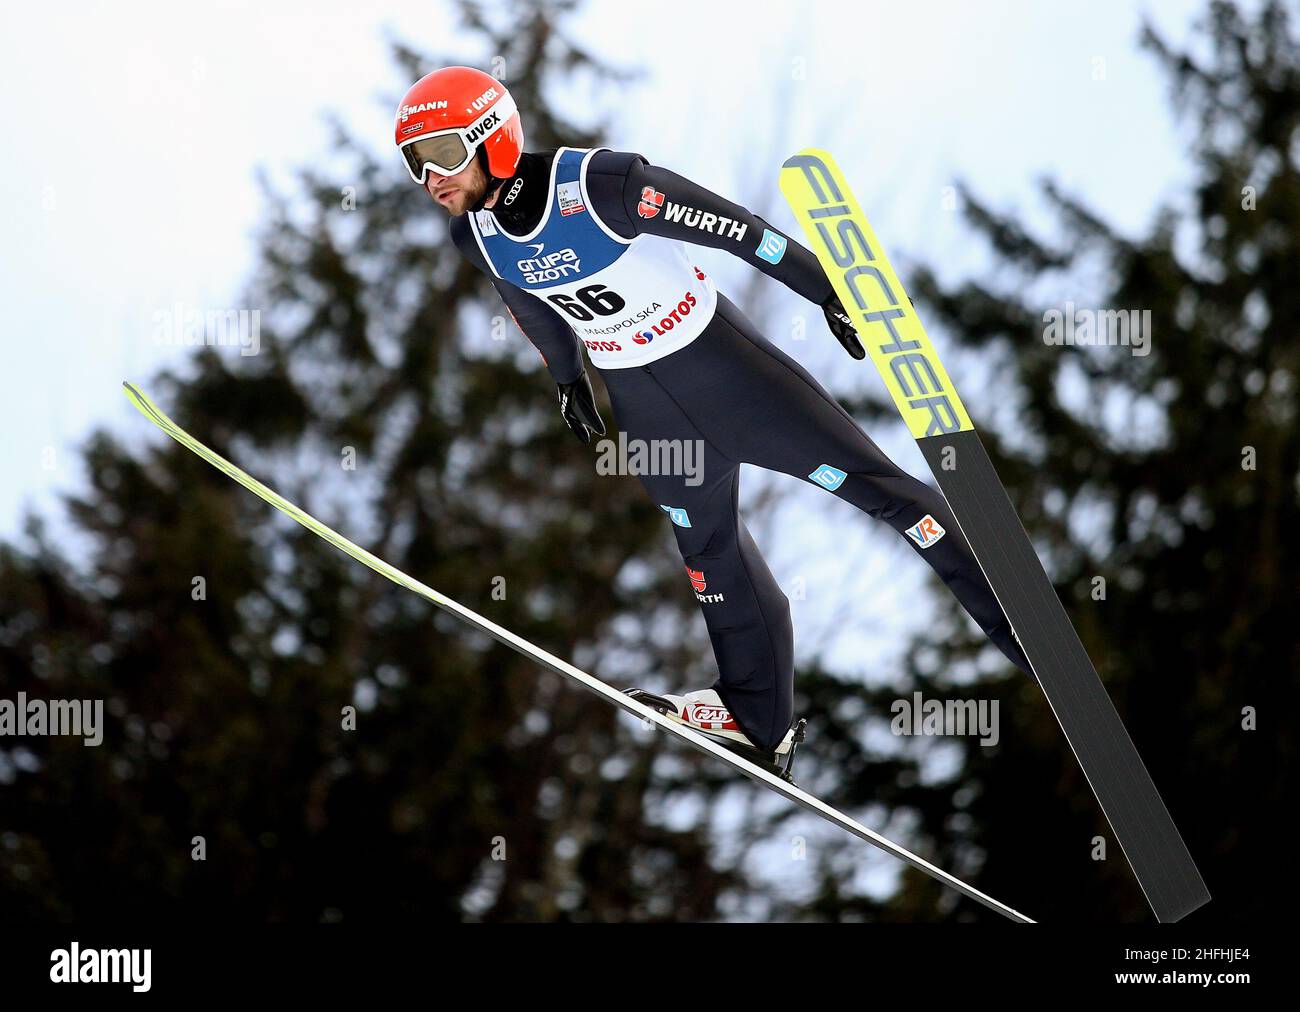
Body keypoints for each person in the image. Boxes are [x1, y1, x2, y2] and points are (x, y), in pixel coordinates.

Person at [396, 66, 1031, 769]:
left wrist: (827, 289)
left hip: (728, 375)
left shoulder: (601, 186)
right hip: (647, 408)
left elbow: (737, 231)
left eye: (444, 156)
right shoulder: (475, 236)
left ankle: (1021, 627)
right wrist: (569, 380)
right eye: (415, 166)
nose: (432, 180)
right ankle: (760, 718)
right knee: (709, 556)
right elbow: (528, 303)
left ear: (495, 142)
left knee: (883, 493)